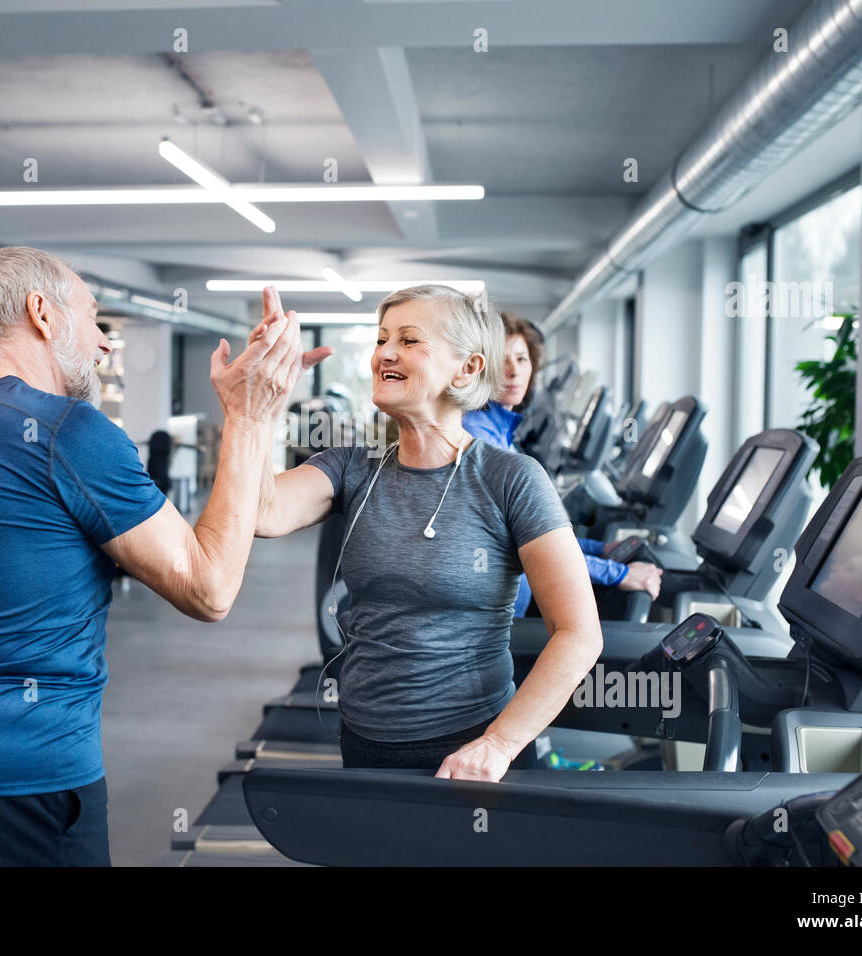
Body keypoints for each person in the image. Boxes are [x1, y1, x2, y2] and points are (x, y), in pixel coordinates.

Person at [0, 246, 328, 866]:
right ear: (42, 314)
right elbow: (209, 588)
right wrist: (248, 417)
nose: (103, 344)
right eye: (95, 318)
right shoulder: (71, 431)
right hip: (35, 783)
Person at [253, 284, 603, 782]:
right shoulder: (353, 466)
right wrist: (252, 410)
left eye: (410, 340)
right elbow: (259, 511)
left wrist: (499, 745)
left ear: (468, 368)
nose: (385, 353)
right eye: (380, 339)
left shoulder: (511, 478)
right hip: (363, 741)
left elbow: (579, 634)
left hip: (470, 750)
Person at [463, 312, 663, 614]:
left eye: (522, 359)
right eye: (501, 360)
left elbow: (533, 532)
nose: (514, 372)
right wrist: (618, 574)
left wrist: (601, 550)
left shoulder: (499, 432)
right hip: (497, 625)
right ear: (479, 368)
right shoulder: (479, 438)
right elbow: (528, 544)